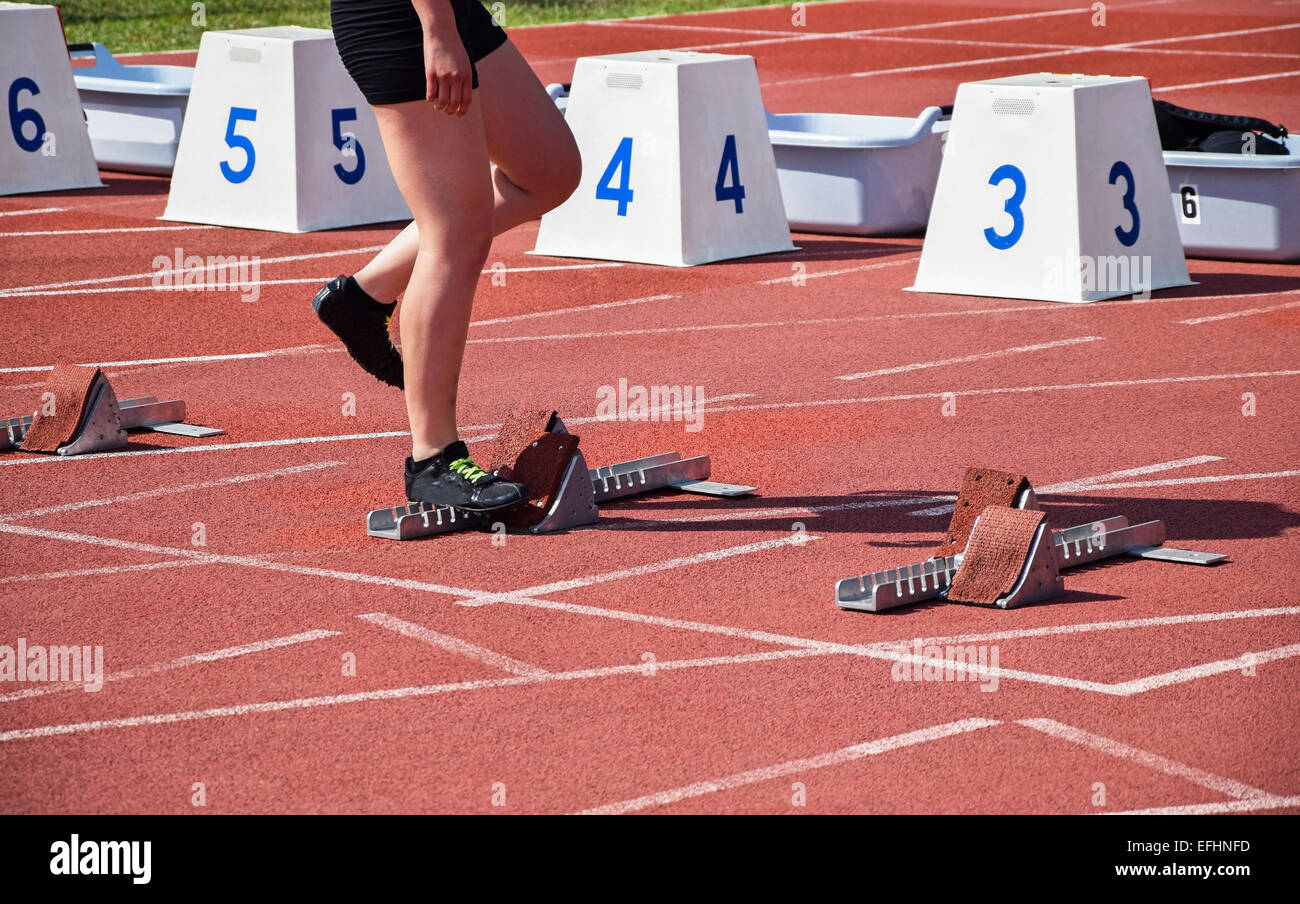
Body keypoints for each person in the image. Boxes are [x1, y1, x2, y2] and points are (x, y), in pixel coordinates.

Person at [314, 0, 581, 510]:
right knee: (455, 236)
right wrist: (436, 31)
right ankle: (433, 458)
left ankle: (364, 297)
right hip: (402, 17)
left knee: (549, 170)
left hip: (451, 13)